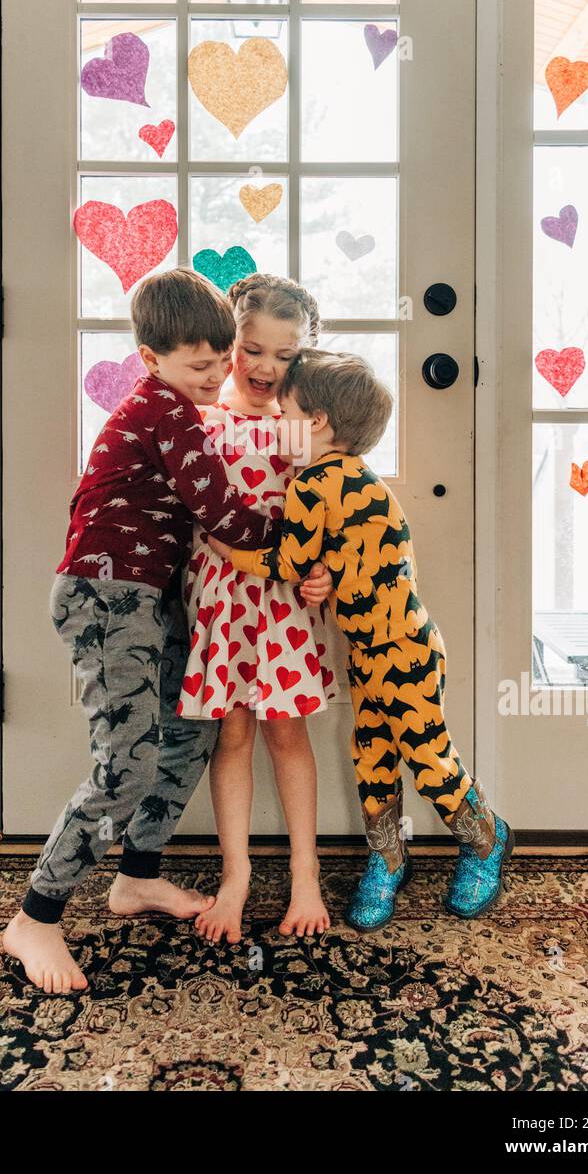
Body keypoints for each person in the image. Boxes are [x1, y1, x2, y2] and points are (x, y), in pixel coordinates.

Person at [1, 268, 330, 992]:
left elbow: (306, 489)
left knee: (189, 733)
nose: (220, 375)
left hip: (156, 600)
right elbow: (226, 515)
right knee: (125, 763)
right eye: (205, 364)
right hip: (108, 595)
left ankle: (138, 878)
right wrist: (297, 549)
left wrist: (320, 556)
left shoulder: (208, 409)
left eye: (223, 360)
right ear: (151, 360)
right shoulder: (167, 413)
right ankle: (36, 916)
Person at [208, 347, 515, 932]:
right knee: (371, 754)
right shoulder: (349, 479)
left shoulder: (315, 485)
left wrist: (229, 550)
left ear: (316, 422)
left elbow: (288, 561)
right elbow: (331, 561)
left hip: (403, 652)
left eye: (286, 411)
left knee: (427, 759)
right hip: (376, 653)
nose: (278, 421)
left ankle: (484, 839)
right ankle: (387, 857)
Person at [178, 274, 349, 944]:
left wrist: (324, 572)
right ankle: (236, 875)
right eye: (252, 350)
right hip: (222, 604)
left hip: (279, 608)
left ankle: (305, 874)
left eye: (284, 355)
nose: (266, 368)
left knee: (286, 733)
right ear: (229, 345)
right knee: (235, 733)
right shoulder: (203, 421)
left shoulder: (300, 431)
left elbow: (331, 516)